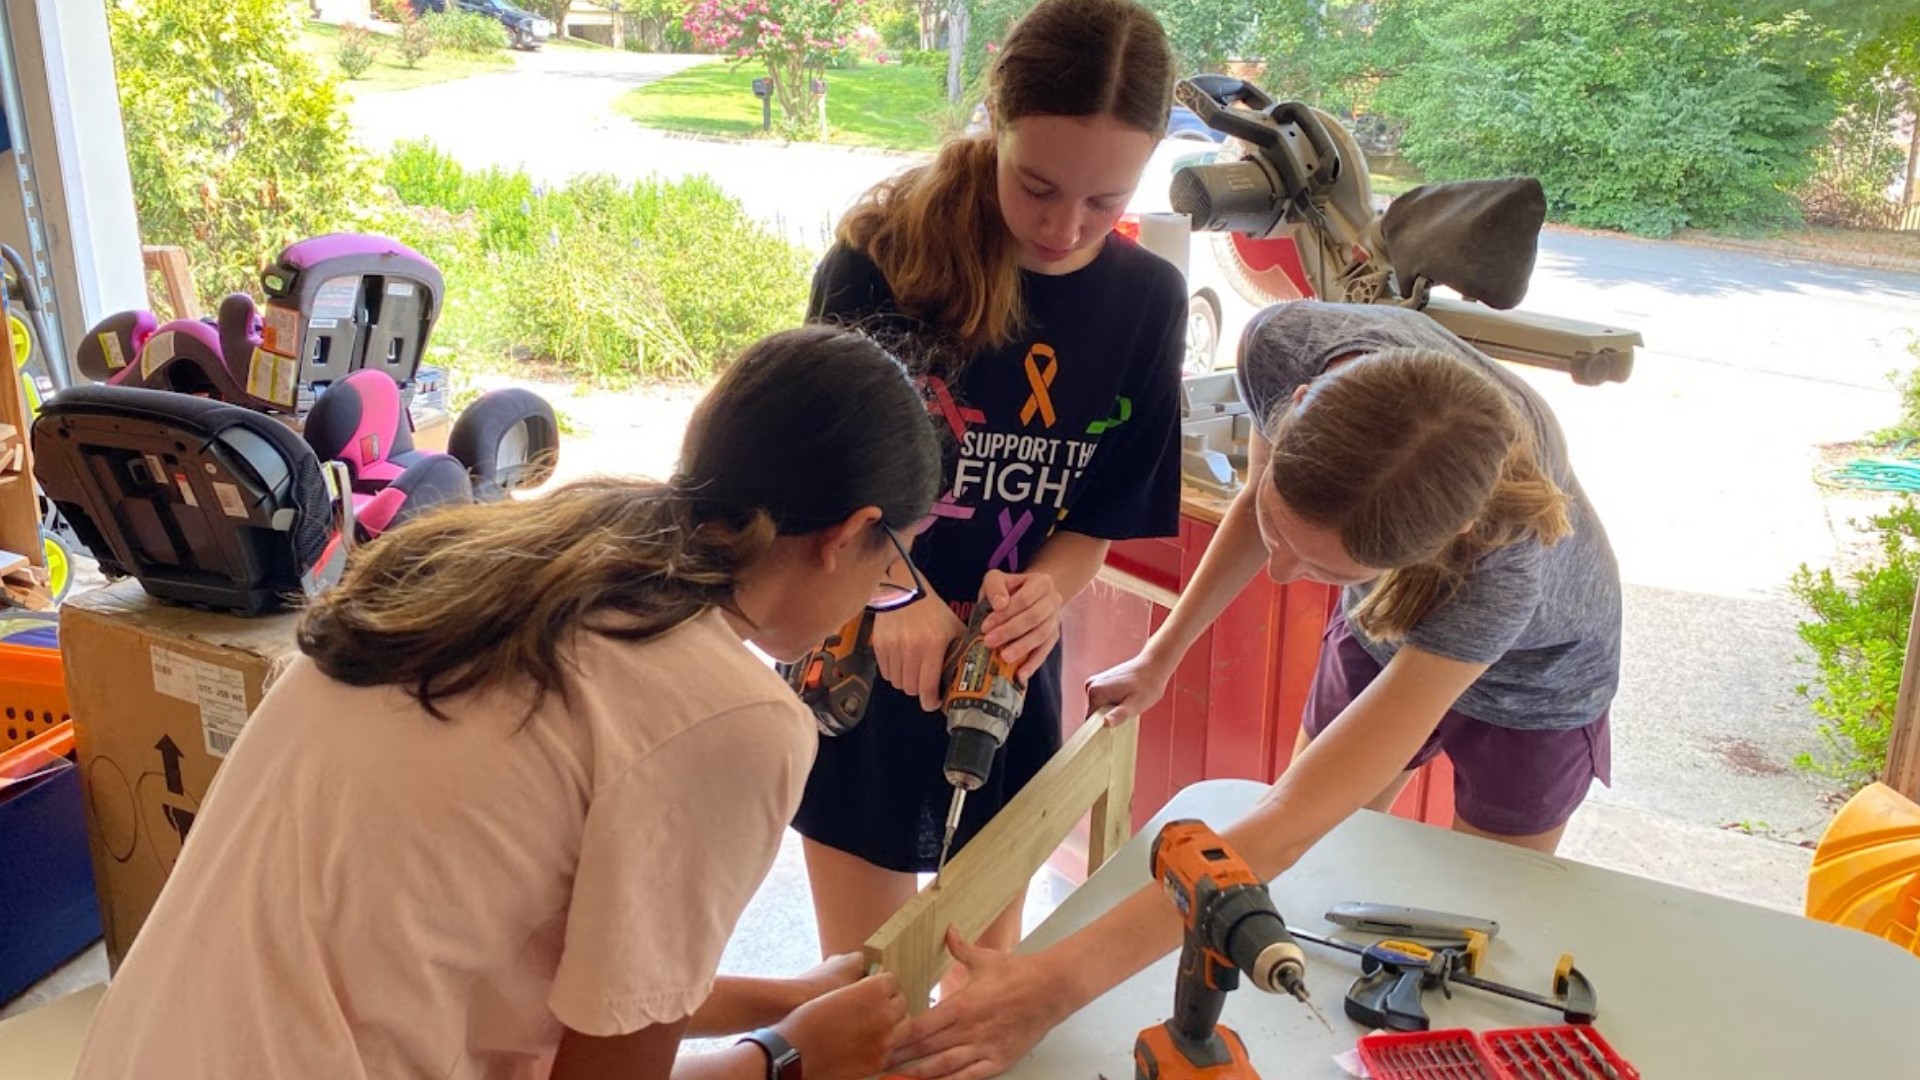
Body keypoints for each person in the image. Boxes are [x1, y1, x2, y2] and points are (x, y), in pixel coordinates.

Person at [71, 326, 942, 1080]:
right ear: (844, 536)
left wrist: (784, 997)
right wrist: (785, 1056)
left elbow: (560, 962)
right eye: (891, 566)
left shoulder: (520, 561)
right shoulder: (733, 716)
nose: (879, 594)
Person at [884, 300, 1623, 1079]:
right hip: (1387, 617)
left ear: (1434, 553)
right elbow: (1261, 505)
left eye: (1325, 574)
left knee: (1486, 918)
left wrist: (1053, 986)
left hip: (1540, 682)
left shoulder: (1506, 567)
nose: (1279, 576)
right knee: (1321, 881)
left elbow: (1286, 821)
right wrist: (1162, 655)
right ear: (1296, 405)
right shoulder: (1290, 347)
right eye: (1282, 538)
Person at [792, 0, 1189, 963]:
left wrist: (1043, 597)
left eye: (1105, 202)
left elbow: (1096, 517)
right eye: (1037, 185)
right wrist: (897, 589)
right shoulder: (880, 261)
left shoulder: (1145, 302)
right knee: (866, 986)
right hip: (855, 649)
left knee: (982, 978)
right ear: (995, 121)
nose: (1064, 229)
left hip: (1004, 673)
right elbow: (810, 480)